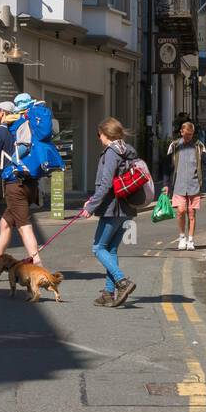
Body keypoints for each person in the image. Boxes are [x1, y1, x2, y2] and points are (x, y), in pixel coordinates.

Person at [0, 95, 42, 281]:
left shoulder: (1, 131)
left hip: (15, 185)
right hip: (30, 184)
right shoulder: (21, 129)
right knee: (5, 223)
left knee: (24, 226)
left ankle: (39, 268)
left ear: (3, 113)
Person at [78, 118, 138, 308]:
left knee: (98, 248)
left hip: (113, 208)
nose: (99, 138)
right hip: (127, 207)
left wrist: (90, 207)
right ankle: (108, 293)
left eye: (99, 134)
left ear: (105, 134)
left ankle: (122, 281)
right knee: (110, 249)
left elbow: (105, 184)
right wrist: (92, 201)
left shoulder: (112, 153)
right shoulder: (128, 150)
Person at [163, 120, 206, 251]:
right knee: (181, 211)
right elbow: (166, 166)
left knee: (191, 214)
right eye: (186, 134)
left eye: (191, 134)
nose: (188, 137)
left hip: (194, 185)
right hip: (179, 185)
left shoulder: (199, 146)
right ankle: (182, 237)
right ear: (181, 132)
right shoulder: (174, 146)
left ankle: (191, 240)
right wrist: (166, 184)